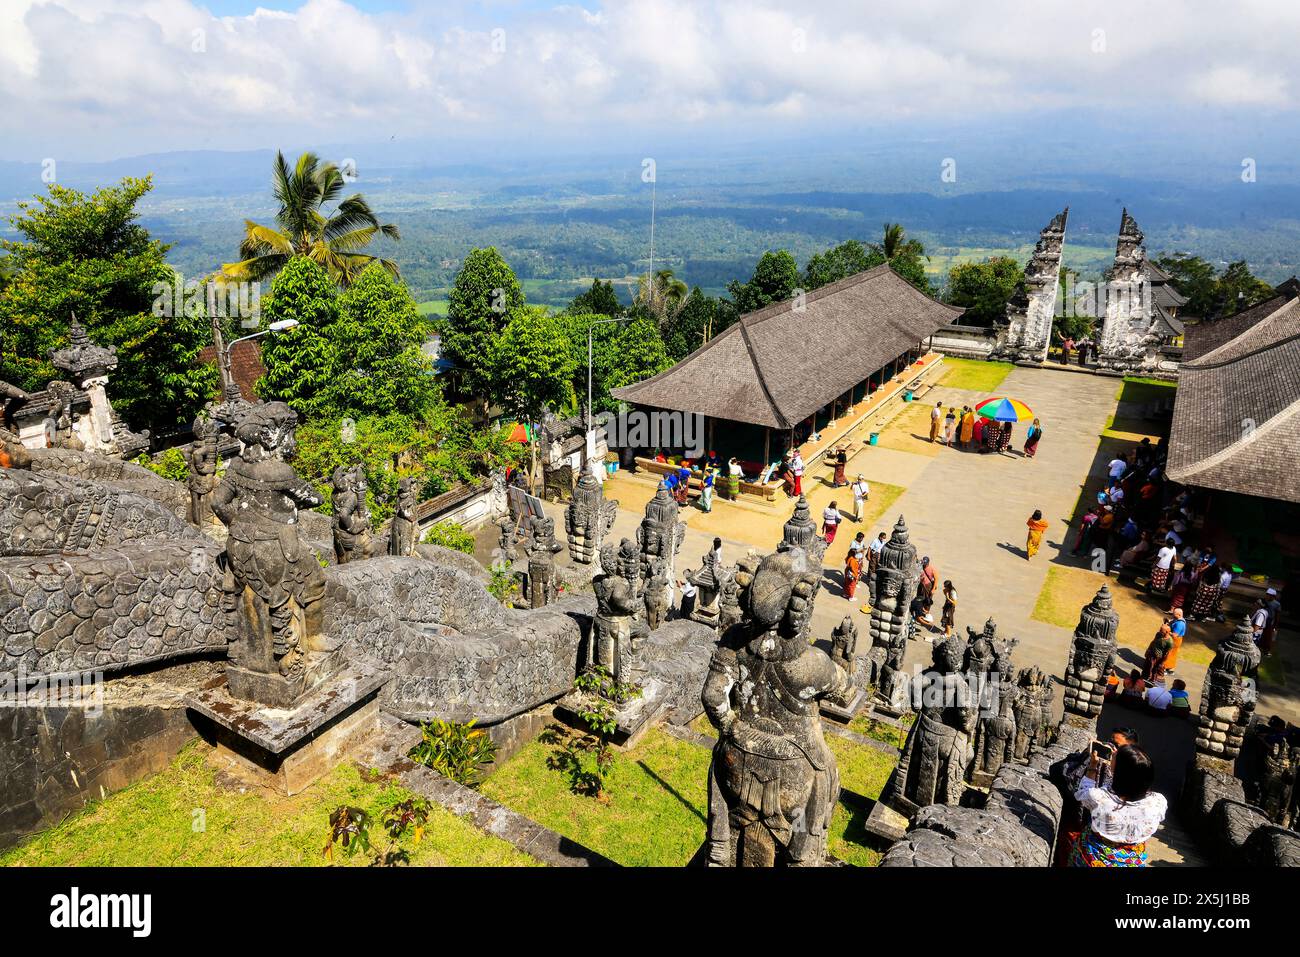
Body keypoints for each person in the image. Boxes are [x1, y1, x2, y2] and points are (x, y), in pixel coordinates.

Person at [1068, 745, 1167, 867]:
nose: (1113, 754)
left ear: (1119, 773)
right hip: (1131, 862)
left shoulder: (1100, 798)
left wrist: (1093, 766)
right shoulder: (1158, 803)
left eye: (1114, 757)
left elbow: (1082, 793)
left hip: (1093, 859)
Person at [1055, 727, 1141, 865]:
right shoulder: (1097, 761)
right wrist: (1088, 756)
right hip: (1078, 824)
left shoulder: (1134, 775)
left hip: (1104, 846)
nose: (1111, 748)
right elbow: (1071, 779)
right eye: (1110, 742)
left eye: (1117, 747)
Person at [1164, 608, 1187, 675]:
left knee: (1169, 653)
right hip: (1175, 640)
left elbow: (1175, 635)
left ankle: (1165, 668)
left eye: (1174, 614)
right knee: (1172, 654)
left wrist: (1167, 630)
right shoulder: (1179, 619)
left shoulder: (1180, 624)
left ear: (1179, 615)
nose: (1173, 615)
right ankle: (1171, 669)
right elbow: (1173, 621)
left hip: (1175, 641)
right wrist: (1168, 621)